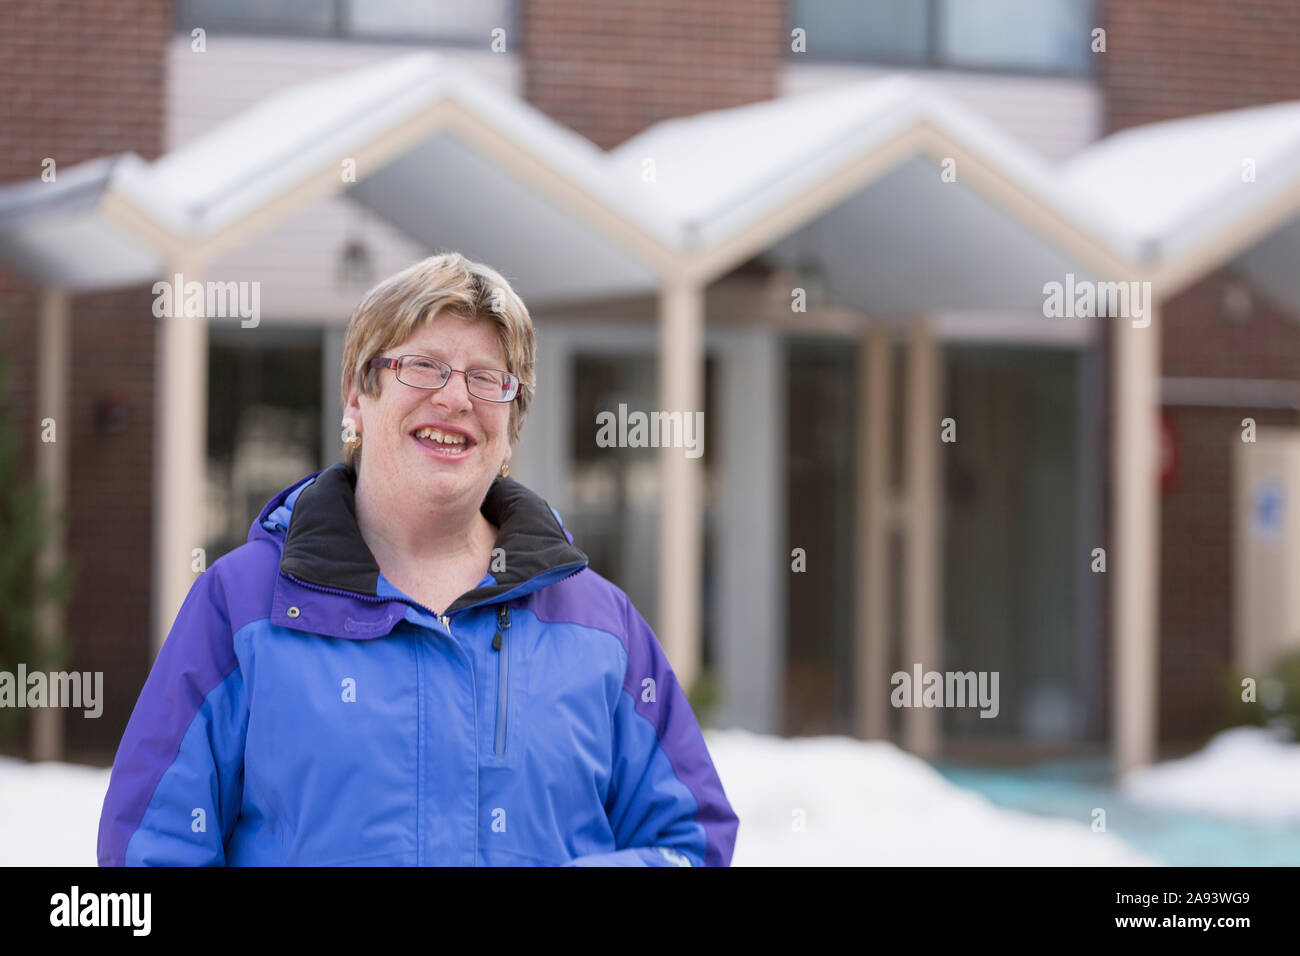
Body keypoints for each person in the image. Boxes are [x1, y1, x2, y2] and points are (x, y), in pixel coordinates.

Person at [97, 252, 739, 866]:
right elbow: (152, 848)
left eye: (487, 378)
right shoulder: (242, 605)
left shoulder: (601, 624)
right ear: (357, 397)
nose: (455, 399)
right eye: (423, 366)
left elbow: (691, 842)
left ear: (511, 425)